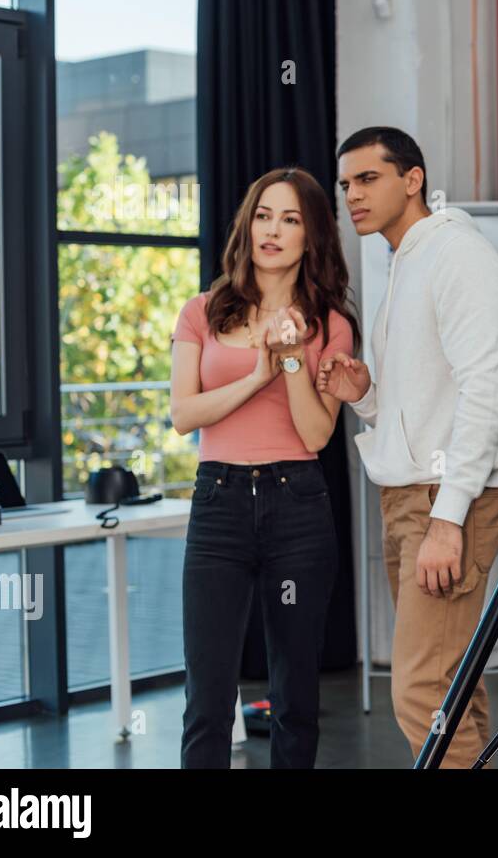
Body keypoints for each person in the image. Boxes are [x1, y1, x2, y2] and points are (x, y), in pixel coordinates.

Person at [316, 127, 498, 767]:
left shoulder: (456, 253)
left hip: (442, 501)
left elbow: (485, 390)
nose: (352, 194)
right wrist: (366, 395)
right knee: (451, 689)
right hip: (408, 498)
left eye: (368, 178)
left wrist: (448, 517)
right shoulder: (401, 261)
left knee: (420, 692)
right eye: (346, 183)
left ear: (413, 179)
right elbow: (425, 400)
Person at [171, 166, 360, 767]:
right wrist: (257, 373)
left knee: (295, 696)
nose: (272, 230)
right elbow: (183, 414)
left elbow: (315, 433)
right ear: (247, 225)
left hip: (297, 504)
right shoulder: (201, 312)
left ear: (312, 237)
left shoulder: (331, 325)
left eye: (291, 218)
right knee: (207, 697)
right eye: (263, 215)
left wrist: (291, 362)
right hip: (218, 503)